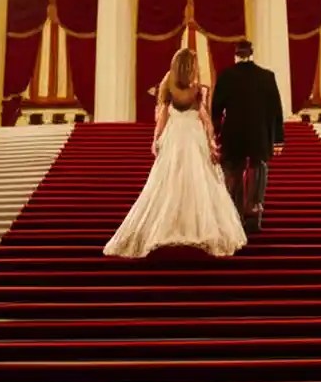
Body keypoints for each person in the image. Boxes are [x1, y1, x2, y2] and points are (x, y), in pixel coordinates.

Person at [104, 48, 247, 258]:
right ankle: (196, 227)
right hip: (193, 137)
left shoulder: (167, 85)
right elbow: (205, 119)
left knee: (169, 182)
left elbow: (162, 116)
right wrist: (211, 141)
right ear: (192, 66)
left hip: (174, 137)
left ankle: (168, 225)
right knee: (197, 183)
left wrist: (156, 139)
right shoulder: (199, 89)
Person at [211, 40, 285, 233]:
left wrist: (214, 134)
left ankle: (233, 217)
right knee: (257, 173)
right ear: (252, 54)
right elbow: (276, 110)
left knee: (232, 175)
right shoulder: (267, 77)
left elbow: (216, 110)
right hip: (259, 134)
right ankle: (253, 216)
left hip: (233, 135)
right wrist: (278, 139)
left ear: (236, 56)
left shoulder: (226, 76)